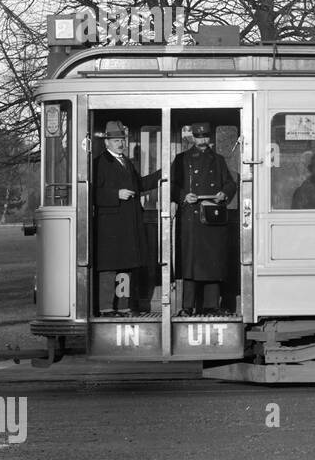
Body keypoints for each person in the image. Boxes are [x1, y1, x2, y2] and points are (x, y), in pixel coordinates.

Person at [93, 121, 161, 315]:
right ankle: (106, 308)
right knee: (109, 267)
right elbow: (90, 193)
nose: (120, 144)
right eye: (115, 141)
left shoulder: (126, 162)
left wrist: (162, 174)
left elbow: (138, 185)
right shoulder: (99, 163)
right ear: (107, 143)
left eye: (122, 140)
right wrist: (116, 194)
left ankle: (123, 307)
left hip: (127, 223)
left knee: (126, 266)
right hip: (110, 226)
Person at [171, 121, 237, 316]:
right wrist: (184, 195)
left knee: (212, 263)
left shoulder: (218, 160)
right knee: (191, 266)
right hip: (191, 220)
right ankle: (187, 307)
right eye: (199, 137)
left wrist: (223, 194)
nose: (203, 140)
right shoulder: (181, 159)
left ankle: (211, 306)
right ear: (193, 137)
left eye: (206, 137)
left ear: (210, 138)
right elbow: (172, 186)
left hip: (212, 219)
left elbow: (230, 184)